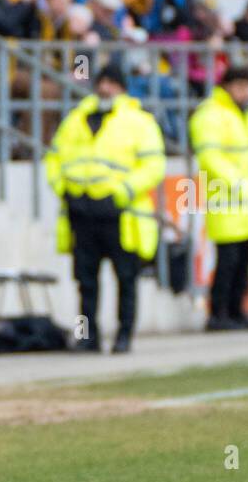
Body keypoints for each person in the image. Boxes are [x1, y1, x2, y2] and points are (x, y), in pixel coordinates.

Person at [45, 66, 164, 354]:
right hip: (82, 210)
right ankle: (88, 336)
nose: (106, 88)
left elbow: (153, 165)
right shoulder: (75, 119)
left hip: (119, 213)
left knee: (126, 277)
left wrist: (123, 192)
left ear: (123, 88)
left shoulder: (139, 121)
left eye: (113, 83)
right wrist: (63, 188)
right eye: (102, 82)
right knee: (85, 281)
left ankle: (124, 335)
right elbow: (54, 158)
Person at [190, 67, 248, 331]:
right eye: (242, 85)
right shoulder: (211, 114)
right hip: (227, 200)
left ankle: (237, 310)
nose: (247, 92)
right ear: (228, 86)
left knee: (245, 260)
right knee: (227, 261)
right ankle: (218, 314)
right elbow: (210, 157)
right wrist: (238, 185)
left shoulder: (245, 115)